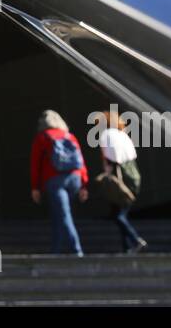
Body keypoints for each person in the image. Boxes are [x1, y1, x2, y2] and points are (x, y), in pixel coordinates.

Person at [30, 109, 88, 255]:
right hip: (74, 178)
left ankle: (77, 250)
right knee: (59, 213)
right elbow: (80, 161)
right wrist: (84, 185)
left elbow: (35, 164)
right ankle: (55, 250)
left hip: (55, 179)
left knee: (63, 214)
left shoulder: (42, 137)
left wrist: (35, 187)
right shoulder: (69, 136)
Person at [96, 110, 147, 254]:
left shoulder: (106, 135)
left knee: (118, 215)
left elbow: (108, 159)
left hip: (120, 181)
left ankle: (136, 239)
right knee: (120, 213)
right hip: (133, 177)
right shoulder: (123, 135)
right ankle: (127, 248)